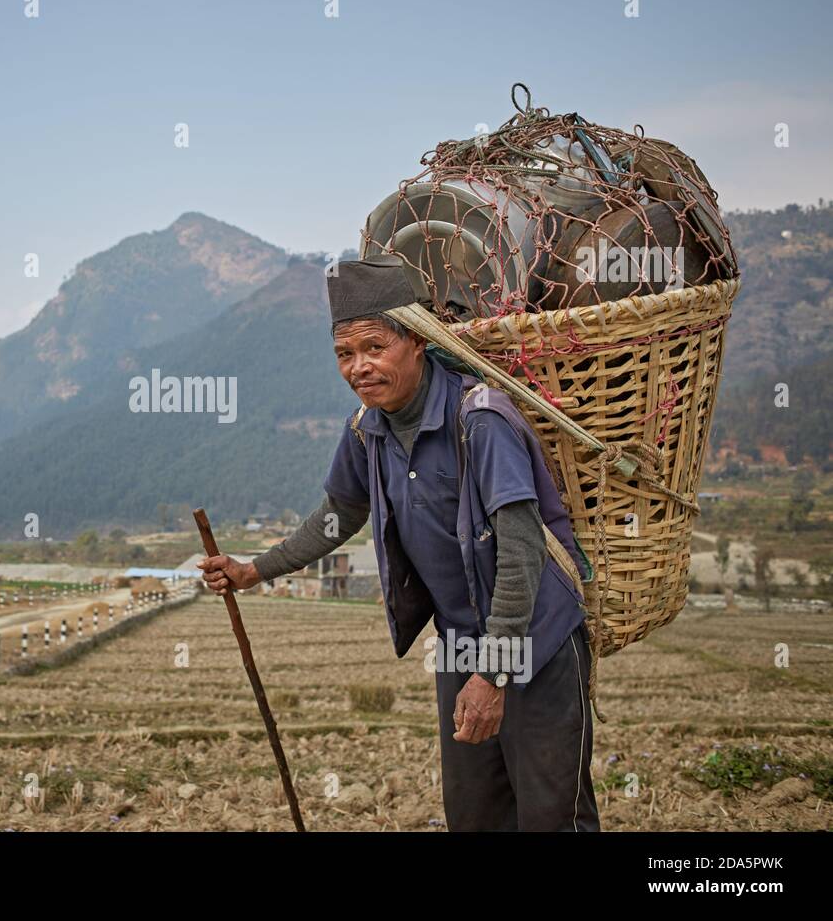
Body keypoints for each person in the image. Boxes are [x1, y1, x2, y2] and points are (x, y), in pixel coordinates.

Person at [198, 254, 600, 831]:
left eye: (373, 347)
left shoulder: (479, 419)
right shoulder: (368, 430)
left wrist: (494, 672)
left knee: (551, 815)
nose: (358, 366)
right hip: (461, 645)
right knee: (474, 815)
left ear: (416, 340)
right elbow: (338, 516)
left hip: (532, 641)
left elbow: (521, 551)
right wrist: (253, 571)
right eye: (344, 354)